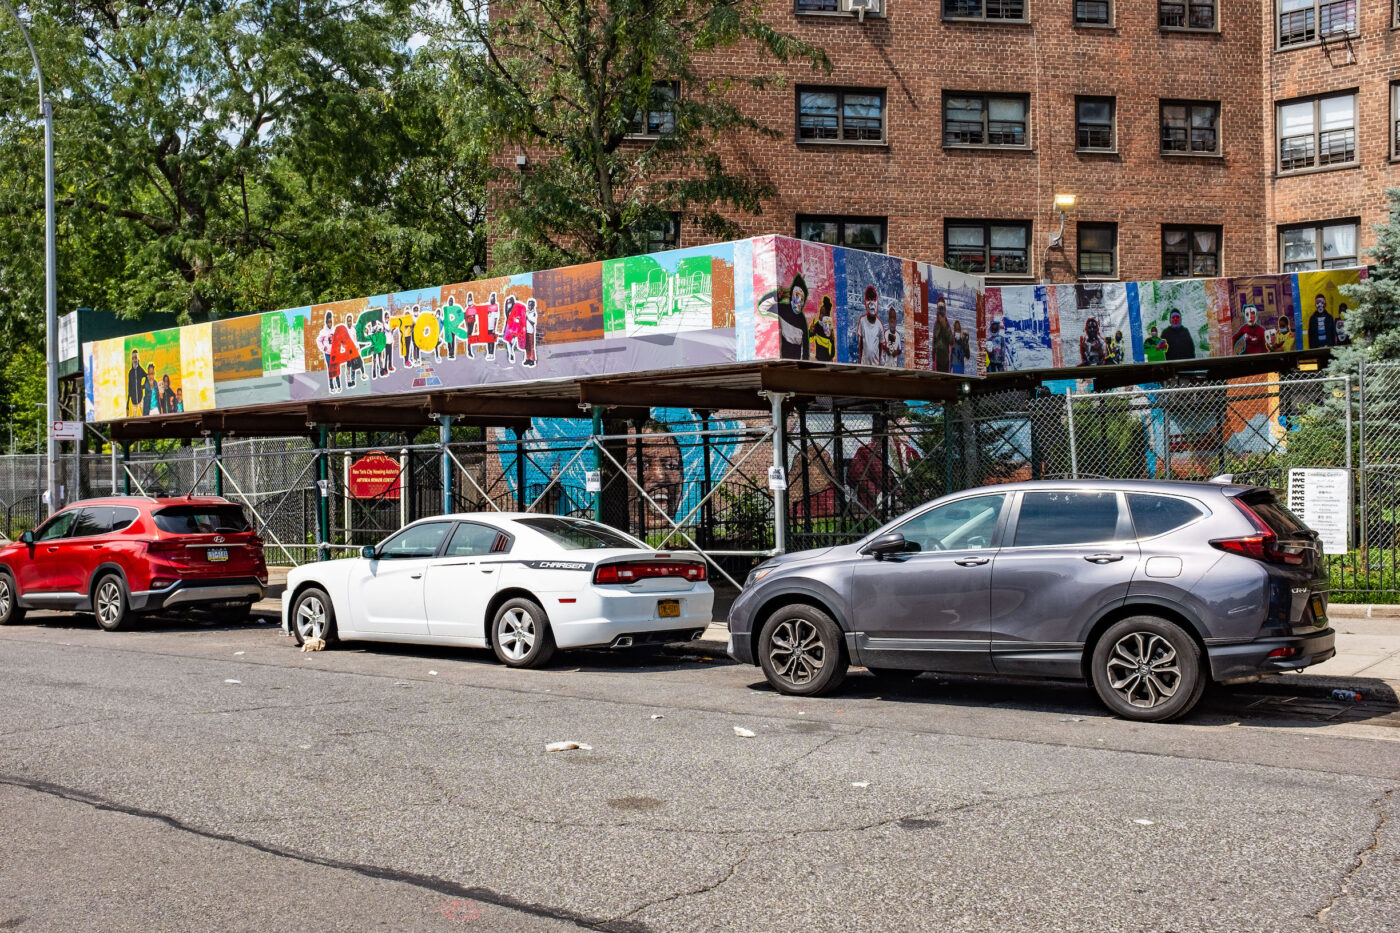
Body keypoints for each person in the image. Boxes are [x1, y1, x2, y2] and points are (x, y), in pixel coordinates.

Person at [767, 273, 810, 361]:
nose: (798, 300)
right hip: (782, 362)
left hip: (796, 366)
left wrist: (803, 366)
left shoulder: (801, 319)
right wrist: (777, 299)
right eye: (796, 295)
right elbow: (764, 308)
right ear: (791, 295)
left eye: (801, 298)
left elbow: (805, 347)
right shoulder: (783, 309)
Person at [856, 285, 884, 366]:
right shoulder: (862, 321)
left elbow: (880, 345)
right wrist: (860, 360)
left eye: (874, 299)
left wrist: (878, 362)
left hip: (875, 364)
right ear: (865, 302)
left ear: (877, 302)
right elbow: (861, 342)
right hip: (864, 363)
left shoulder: (879, 325)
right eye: (869, 299)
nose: (871, 302)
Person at [317, 311, 340, 393]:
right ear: (326, 322)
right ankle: (332, 386)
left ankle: (338, 384)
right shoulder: (323, 331)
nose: (330, 323)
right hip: (327, 354)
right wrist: (323, 347)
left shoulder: (334, 330)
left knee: (336, 368)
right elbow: (318, 341)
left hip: (335, 354)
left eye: (331, 321)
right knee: (330, 369)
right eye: (328, 322)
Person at [931, 295, 953, 372]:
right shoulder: (936, 324)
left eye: (942, 307)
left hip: (946, 359)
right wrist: (933, 356)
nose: (940, 309)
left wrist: (945, 326)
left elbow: (951, 341)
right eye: (939, 307)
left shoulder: (947, 324)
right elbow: (934, 340)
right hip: (938, 359)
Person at [811, 296, 835, 362]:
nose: (820, 316)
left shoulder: (829, 329)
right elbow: (809, 340)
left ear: (827, 317)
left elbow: (832, 350)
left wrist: (832, 340)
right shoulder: (816, 326)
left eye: (822, 314)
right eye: (820, 313)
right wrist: (810, 332)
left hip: (828, 360)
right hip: (818, 359)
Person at [126, 350, 148, 417]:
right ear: (131, 360)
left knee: (145, 417)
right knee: (134, 420)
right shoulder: (130, 372)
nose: (134, 360)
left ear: (138, 359)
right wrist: (127, 404)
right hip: (133, 401)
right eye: (133, 358)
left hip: (140, 399)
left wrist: (143, 386)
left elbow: (147, 376)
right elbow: (129, 387)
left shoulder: (140, 370)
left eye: (136, 357)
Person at [523, 298, 540, 367]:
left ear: (533, 306)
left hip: (530, 331)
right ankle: (527, 359)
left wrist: (528, 318)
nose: (529, 306)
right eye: (528, 305)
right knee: (526, 346)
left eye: (531, 305)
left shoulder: (534, 313)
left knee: (531, 346)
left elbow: (533, 323)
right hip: (525, 331)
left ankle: (532, 360)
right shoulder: (526, 312)